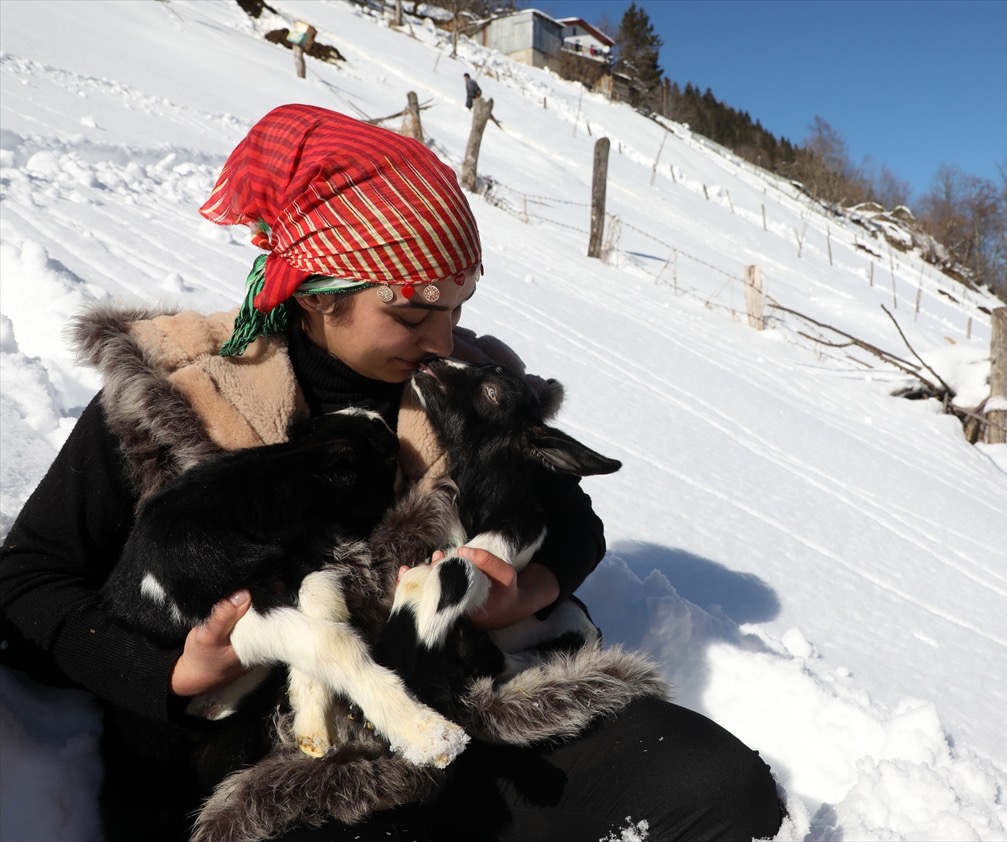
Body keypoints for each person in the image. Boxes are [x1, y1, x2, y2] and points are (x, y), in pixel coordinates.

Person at [0, 104, 784, 842]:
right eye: (411, 315)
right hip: (256, 766)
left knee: (717, 786)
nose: (444, 339)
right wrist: (172, 673)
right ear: (314, 294)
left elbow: (571, 518)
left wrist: (528, 586)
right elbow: (30, 578)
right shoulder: (176, 399)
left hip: (447, 717)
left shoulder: (463, 396)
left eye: (458, 305)